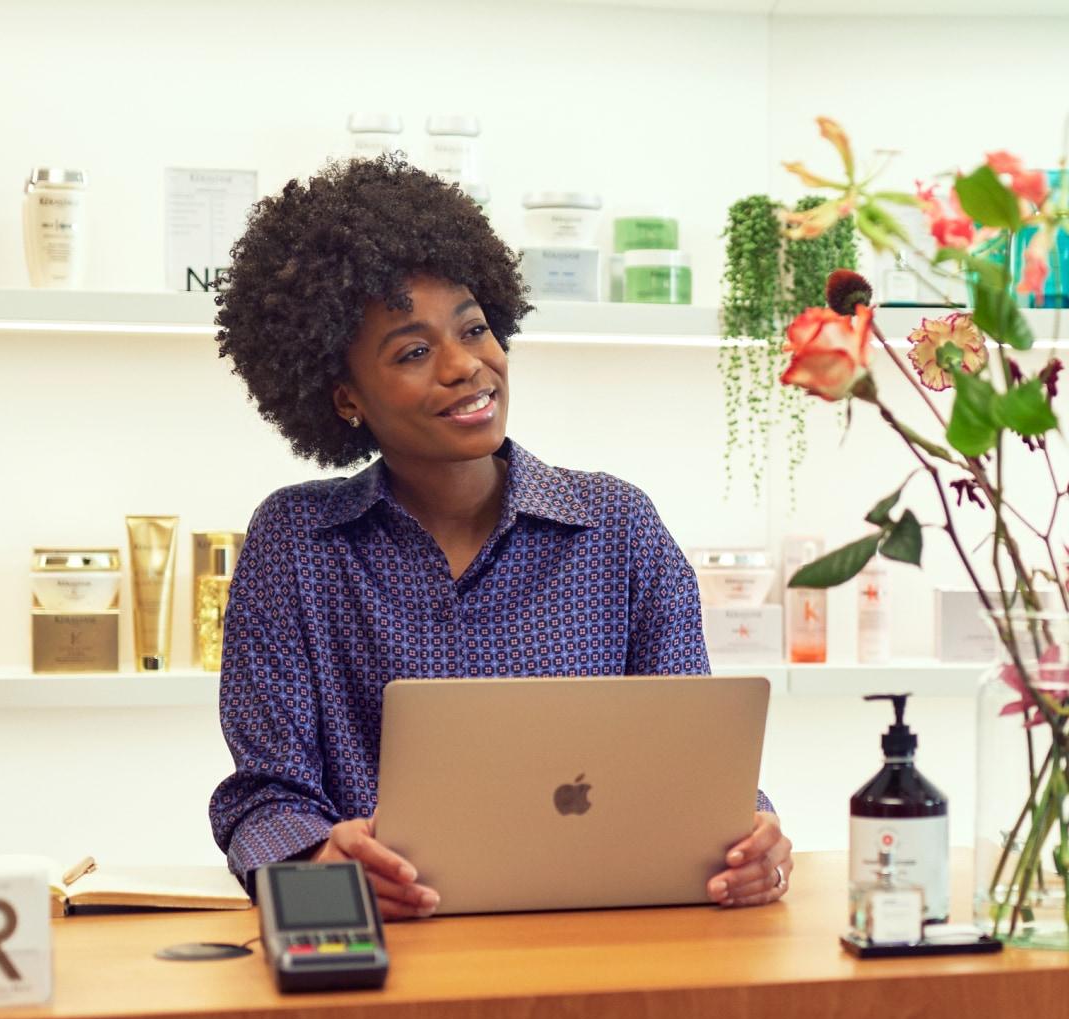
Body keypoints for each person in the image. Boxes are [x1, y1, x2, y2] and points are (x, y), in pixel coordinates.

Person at [208, 155, 792, 919]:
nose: (466, 367)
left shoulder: (619, 530)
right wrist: (320, 859)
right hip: (388, 952)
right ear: (345, 397)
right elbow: (264, 796)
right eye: (413, 352)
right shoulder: (297, 543)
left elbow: (693, 764)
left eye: (475, 329)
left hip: (601, 941)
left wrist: (754, 837)